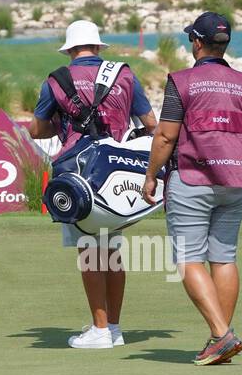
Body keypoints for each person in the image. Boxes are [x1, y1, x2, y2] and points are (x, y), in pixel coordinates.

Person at [142, 11, 242, 366]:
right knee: (223, 258)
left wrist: (151, 176)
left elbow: (166, 135)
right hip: (235, 181)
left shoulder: (180, 81)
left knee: (187, 259)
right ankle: (219, 340)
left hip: (192, 178)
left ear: (196, 42)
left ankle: (222, 335)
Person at [30, 19, 157, 350]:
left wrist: (61, 126)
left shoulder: (56, 80)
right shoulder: (125, 74)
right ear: (99, 47)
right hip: (118, 174)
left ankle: (99, 331)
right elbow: (151, 125)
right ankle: (113, 327)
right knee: (111, 249)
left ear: (70, 49)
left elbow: (36, 130)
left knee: (89, 250)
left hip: (78, 176)